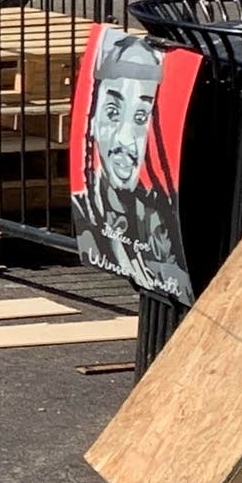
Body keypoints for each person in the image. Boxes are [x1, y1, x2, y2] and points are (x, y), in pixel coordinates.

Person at [71, 30, 191, 301]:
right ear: (93, 118)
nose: (124, 140)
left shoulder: (162, 224)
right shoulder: (87, 209)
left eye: (141, 117)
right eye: (112, 112)